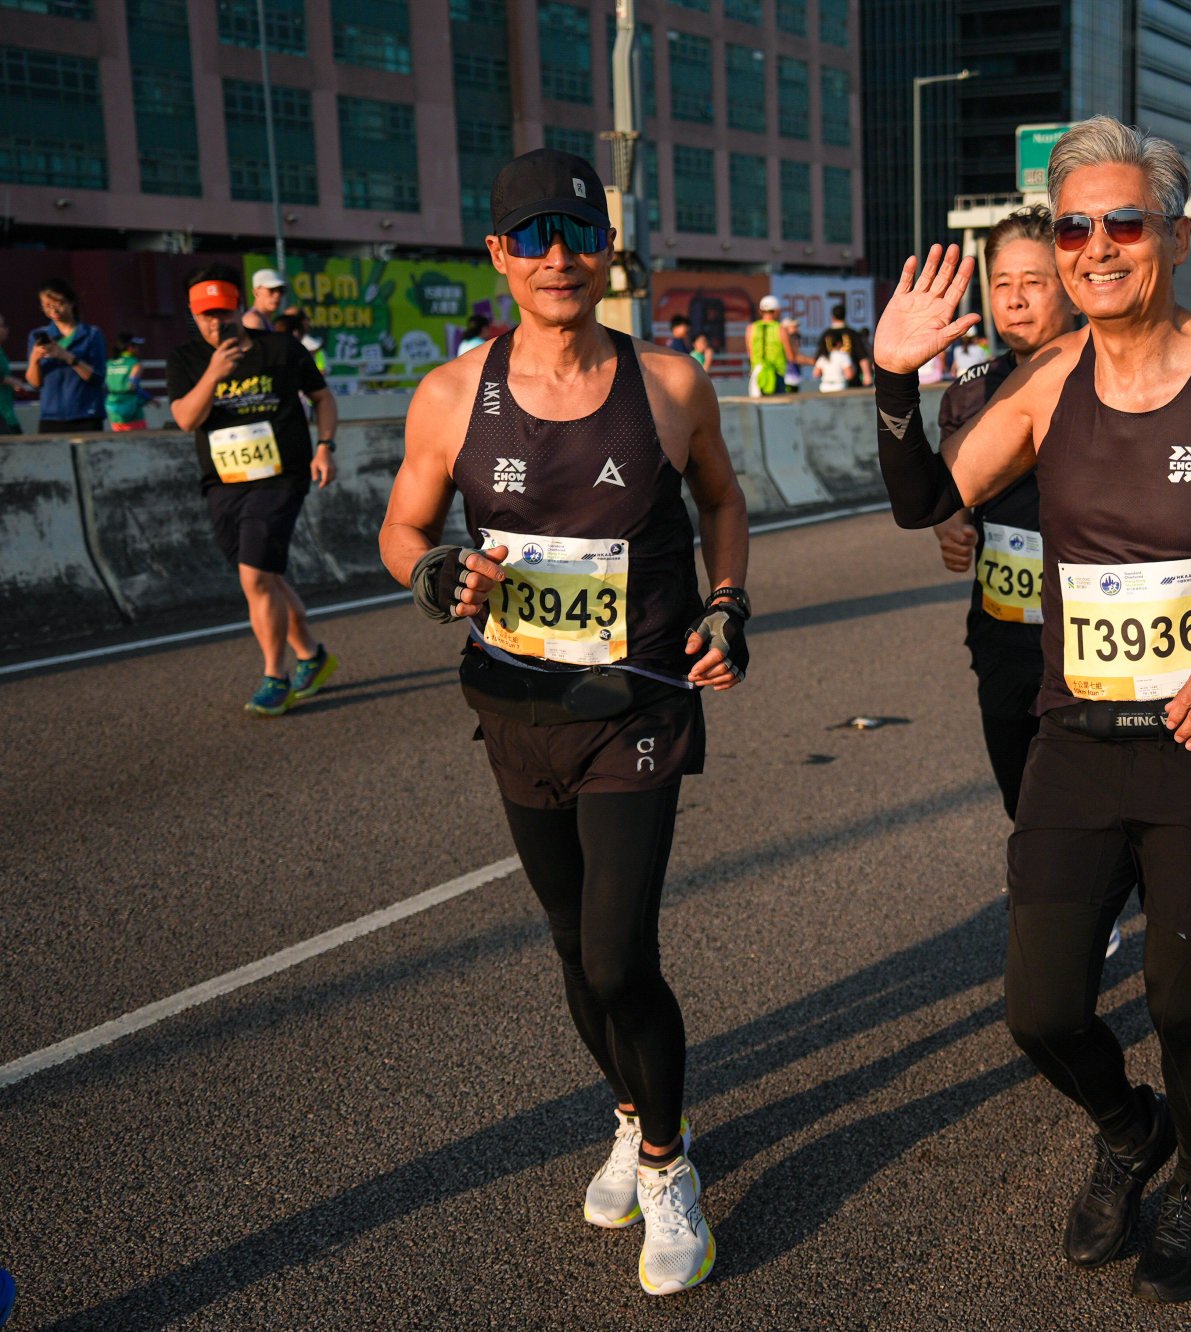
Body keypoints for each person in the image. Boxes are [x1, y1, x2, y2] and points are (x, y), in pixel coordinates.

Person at [872, 116, 1191, 1304]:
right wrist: (892, 379)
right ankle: (1128, 1127)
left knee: (1181, 1001)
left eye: (1122, 223)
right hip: (1078, 737)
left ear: (1175, 238)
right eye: (1073, 228)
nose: (1095, 246)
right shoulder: (1048, 380)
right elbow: (925, 501)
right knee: (1040, 1010)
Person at [379, 147, 749, 1298]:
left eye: (578, 235)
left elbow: (723, 501)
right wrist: (432, 573)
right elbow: (401, 529)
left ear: (607, 252)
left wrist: (729, 606)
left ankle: (668, 1165)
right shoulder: (451, 396)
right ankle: (630, 1109)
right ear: (498, 253)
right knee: (567, 944)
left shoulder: (670, 385)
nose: (558, 257)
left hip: (637, 703)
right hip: (515, 703)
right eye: (534, 236)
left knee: (616, 951)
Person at [926, 205, 1126, 960]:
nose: (1013, 299)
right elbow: (948, 491)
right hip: (1004, 629)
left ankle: (1080, 903)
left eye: (1032, 282)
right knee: (1021, 788)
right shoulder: (969, 390)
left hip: (1098, 634)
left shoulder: (1113, 376)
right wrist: (950, 525)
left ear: (1069, 287)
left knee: (1091, 790)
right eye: (1001, 282)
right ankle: (1074, 889)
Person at [167, 267, 341, 715]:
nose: (215, 323)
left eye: (223, 312)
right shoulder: (186, 359)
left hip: (281, 476)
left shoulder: (280, 348)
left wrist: (325, 447)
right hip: (223, 483)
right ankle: (312, 655)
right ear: (193, 314)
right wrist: (214, 373)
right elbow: (186, 419)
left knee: (255, 577)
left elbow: (323, 398)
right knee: (264, 575)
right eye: (205, 315)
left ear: (238, 306)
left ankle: (274, 677)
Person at [25, 278, 107, 432]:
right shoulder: (37, 336)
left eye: (59, 304)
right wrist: (35, 359)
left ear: (71, 302)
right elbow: (35, 384)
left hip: (86, 416)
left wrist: (67, 356)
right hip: (51, 417)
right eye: (47, 306)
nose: (54, 310)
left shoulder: (91, 334)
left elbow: (97, 377)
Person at [814, 302, 872, 388]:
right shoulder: (852, 333)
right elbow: (862, 356)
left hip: (827, 383)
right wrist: (867, 375)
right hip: (852, 381)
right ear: (845, 316)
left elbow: (818, 358)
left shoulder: (826, 334)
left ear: (832, 317)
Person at [745, 294, 793, 396]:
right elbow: (791, 356)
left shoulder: (751, 328)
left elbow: (750, 353)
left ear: (760, 311)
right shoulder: (781, 329)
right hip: (777, 376)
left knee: (757, 405)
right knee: (778, 405)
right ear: (777, 311)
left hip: (757, 376)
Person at [103, 333, 149, 431]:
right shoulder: (135, 363)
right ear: (129, 347)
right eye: (136, 346)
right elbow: (133, 385)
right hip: (131, 405)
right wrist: (148, 398)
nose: (138, 349)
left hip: (112, 405)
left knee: (118, 437)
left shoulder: (109, 363)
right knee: (139, 437)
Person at [0, 314, 24, 435]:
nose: (5, 329)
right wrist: (11, 381)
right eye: (1, 326)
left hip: (7, 415)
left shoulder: (1, 351)